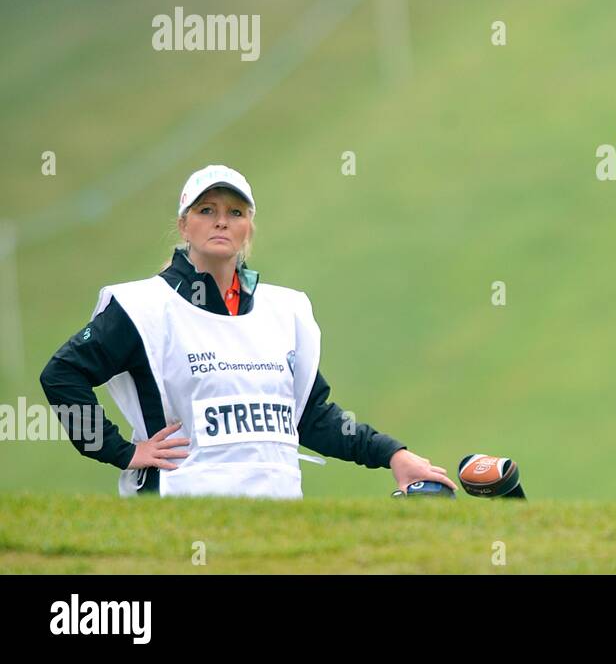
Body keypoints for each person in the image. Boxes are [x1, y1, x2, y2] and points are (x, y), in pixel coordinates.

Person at [39, 164, 458, 498]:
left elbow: (311, 417)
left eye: (235, 213)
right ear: (184, 226)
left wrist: (392, 454)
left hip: (277, 517)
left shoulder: (285, 310)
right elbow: (62, 374)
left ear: (248, 228)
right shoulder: (143, 308)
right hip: (179, 509)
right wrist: (123, 452)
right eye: (207, 211)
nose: (221, 222)